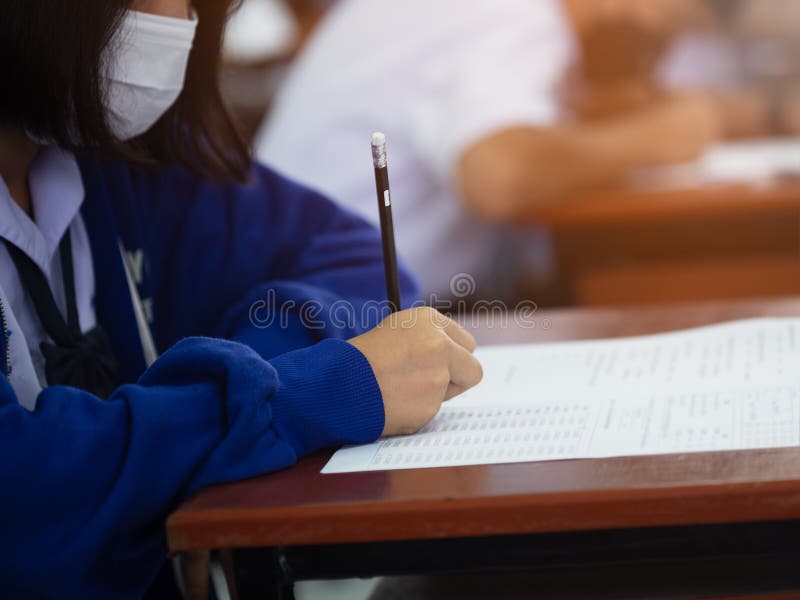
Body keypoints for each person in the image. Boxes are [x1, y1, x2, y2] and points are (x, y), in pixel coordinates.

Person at [0, 0, 483, 597]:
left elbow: (351, 257)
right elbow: (18, 492)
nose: (185, 18)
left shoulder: (116, 161)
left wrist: (251, 390)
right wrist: (292, 400)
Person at [255, 0, 787, 299]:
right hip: (318, 326)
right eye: (667, 19)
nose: (656, 37)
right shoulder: (519, 14)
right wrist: (654, 141)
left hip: (321, 306)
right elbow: (499, 175)